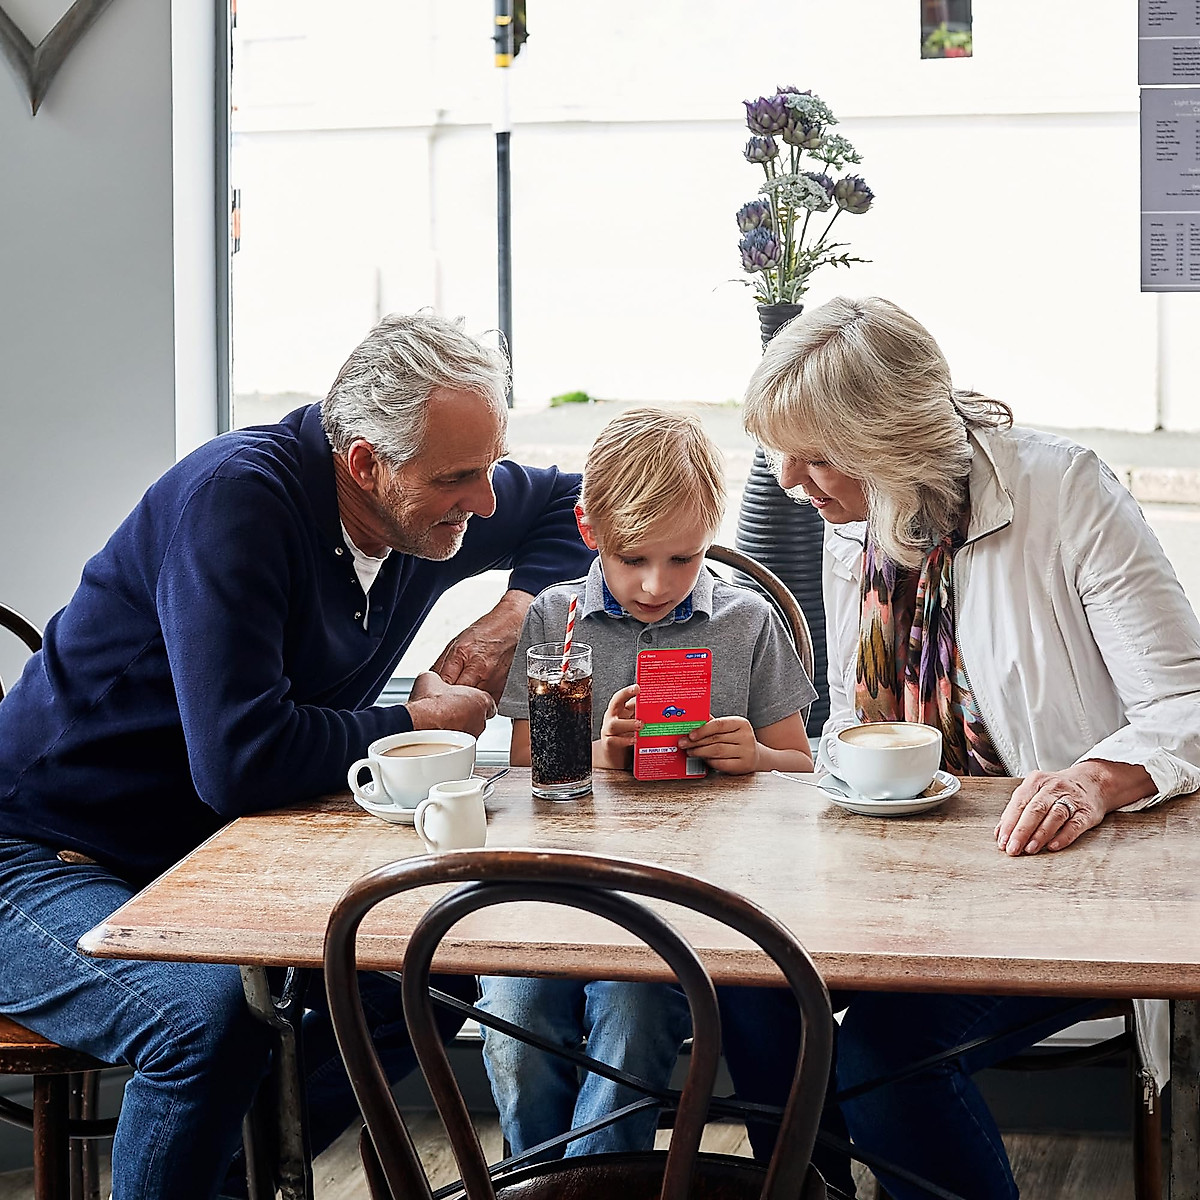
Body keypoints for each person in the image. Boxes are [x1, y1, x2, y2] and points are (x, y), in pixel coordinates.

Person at [0, 312, 594, 1200]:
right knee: (205, 1025)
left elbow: (572, 501)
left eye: (488, 465)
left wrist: (511, 615)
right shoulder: (237, 503)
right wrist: (414, 724)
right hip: (38, 854)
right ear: (364, 464)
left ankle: (236, 1182)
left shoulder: (420, 507)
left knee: (426, 971)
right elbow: (243, 759)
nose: (486, 501)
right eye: (459, 478)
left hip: (197, 853)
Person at [742, 295, 1200, 1200]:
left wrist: (1095, 780)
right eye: (781, 451)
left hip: (1056, 886)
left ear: (893, 443)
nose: (791, 480)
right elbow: (853, 720)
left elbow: (1187, 699)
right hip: (893, 885)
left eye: (819, 455)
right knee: (749, 993)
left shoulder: (1065, 493)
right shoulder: (855, 521)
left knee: (880, 1050)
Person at [477, 408, 824, 1168]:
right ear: (588, 529)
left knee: (634, 1011)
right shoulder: (553, 619)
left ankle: (602, 1186)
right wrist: (592, 760)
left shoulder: (746, 620)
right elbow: (517, 782)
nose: (656, 584)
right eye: (634, 557)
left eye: (684, 558)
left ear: (711, 535)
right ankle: (538, 1180)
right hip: (553, 893)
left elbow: (807, 773)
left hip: (687, 899)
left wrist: (757, 758)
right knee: (516, 1012)